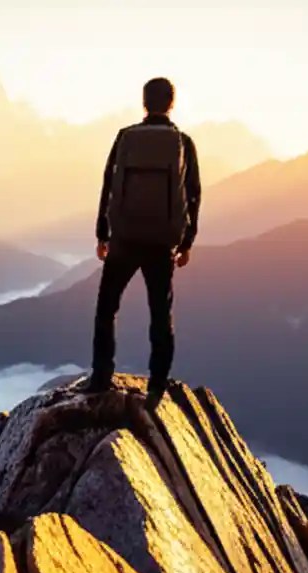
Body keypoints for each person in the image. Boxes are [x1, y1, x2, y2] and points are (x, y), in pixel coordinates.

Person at [86, 77, 201, 408]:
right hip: (162, 242)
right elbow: (193, 194)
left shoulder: (126, 137)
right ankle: (156, 388)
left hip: (124, 238)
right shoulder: (183, 142)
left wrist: (102, 234)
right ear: (172, 103)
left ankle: (100, 378)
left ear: (143, 102)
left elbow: (109, 183)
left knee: (107, 308)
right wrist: (187, 241)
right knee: (160, 314)